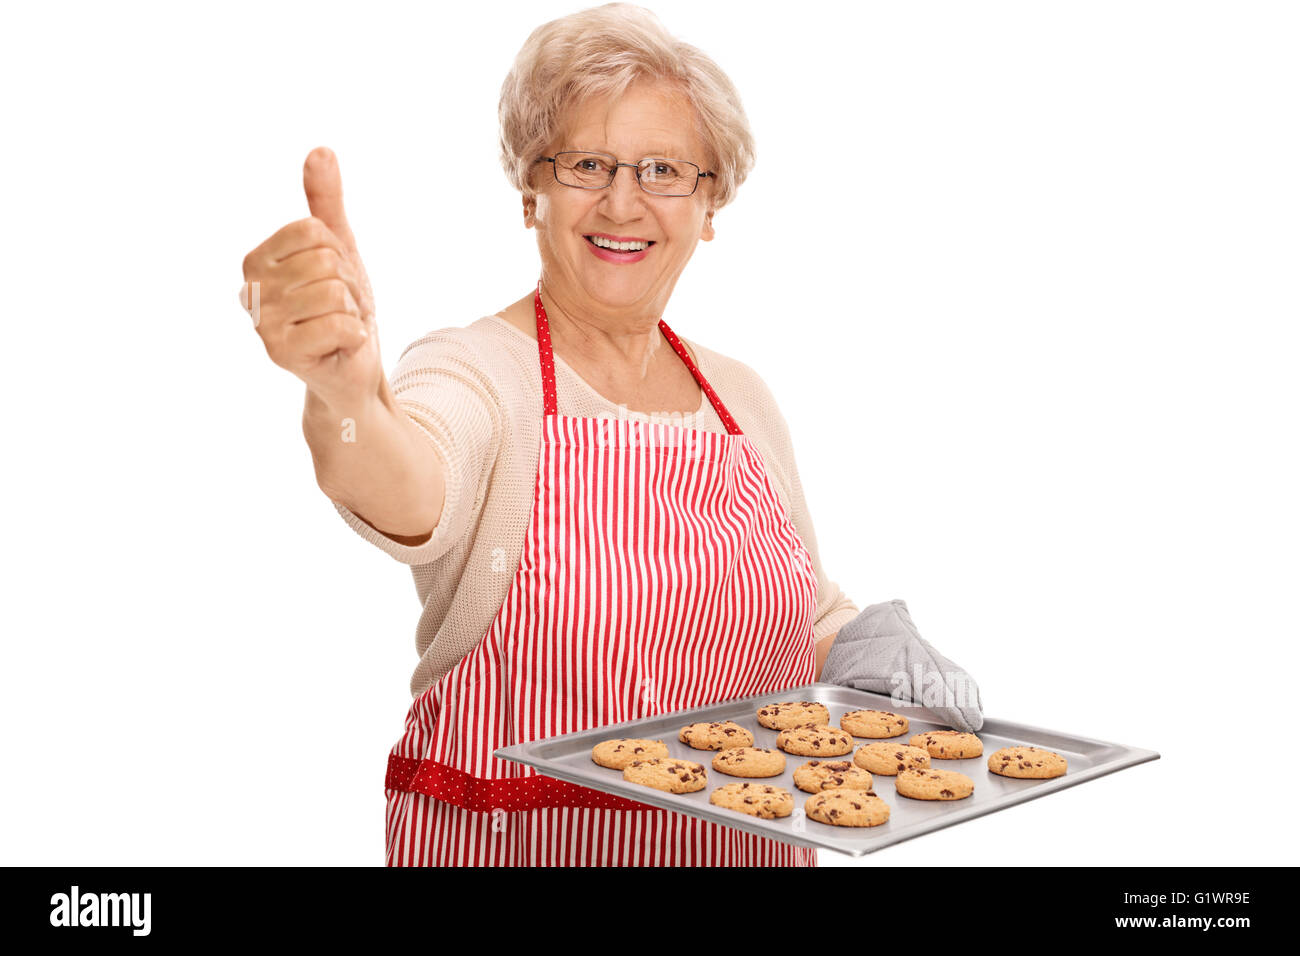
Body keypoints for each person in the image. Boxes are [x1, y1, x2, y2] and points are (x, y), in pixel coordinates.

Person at [239, 2, 981, 867]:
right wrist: (344, 397)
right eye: (587, 163)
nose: (623, 201)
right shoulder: (477, 372)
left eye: (664, 169)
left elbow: (796, 613)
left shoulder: (742, 399)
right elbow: (401, 483)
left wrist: (853, 641)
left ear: (710, 204)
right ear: (533, 191)